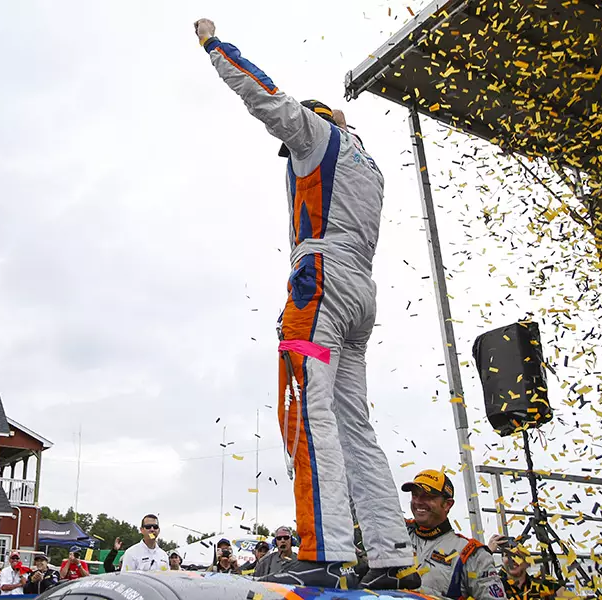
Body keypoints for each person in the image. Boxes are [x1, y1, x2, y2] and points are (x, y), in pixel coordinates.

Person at [193, 17, 418, 590]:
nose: (289, 153)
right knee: (354, 424)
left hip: (318, 284)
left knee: (305, 411)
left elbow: (263, 94)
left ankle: (324, 548)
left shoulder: (316, 135)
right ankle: (391, 549)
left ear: (312, 122)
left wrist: (214, 45)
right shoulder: (368, 161)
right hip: (361, 292)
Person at [403, 469, 505, 600]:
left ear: (447, 504)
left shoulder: (471, 552)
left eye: (428, 496)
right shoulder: (396, 531)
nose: (418, 501)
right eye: (415, 495)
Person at [489, 538, 558, 600]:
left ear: (528, 562)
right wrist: (487, 553)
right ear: (502, 560)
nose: (512, 559)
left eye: (517, 555)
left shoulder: (542, 585)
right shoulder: (495, 587)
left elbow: (565, 595)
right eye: (507, 555)